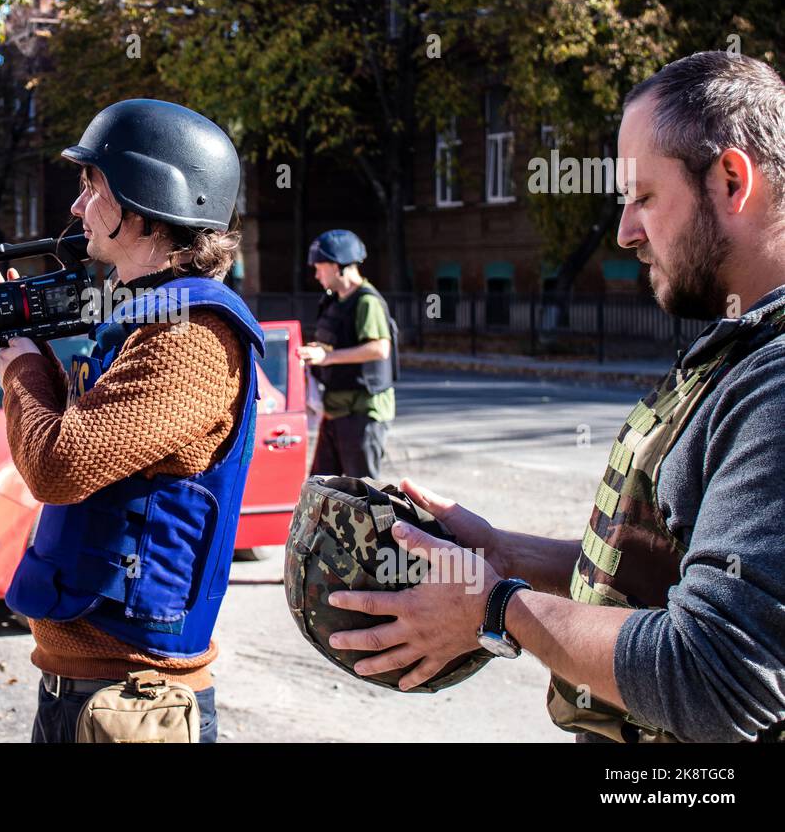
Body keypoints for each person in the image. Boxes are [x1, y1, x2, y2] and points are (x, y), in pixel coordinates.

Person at [322, 51, 785, 743]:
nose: (627, 230)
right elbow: (671, 577)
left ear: (730, 180)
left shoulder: (774, 382)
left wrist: (495, 608)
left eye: (643, 197)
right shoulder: (738, 348)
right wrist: (510, 555)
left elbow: (719, 678)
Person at [0, 98, 265, 743]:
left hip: (134, 704)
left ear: (146, 204)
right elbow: (91, 441)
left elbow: (59, 465)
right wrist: (28, 350)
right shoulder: (152, 319)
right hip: (94, 694)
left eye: (93, 184)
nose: (76, 205)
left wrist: (20, 364)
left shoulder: (192, 337)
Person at [298, 230, 396, 478]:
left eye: (319, 267)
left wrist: (327, 357)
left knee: (363, 494)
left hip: (362, 411)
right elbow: (338, 343)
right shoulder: (333, 301)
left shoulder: (367, 302)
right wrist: (318, 351)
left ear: (336, 265)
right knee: (322, 489)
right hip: (334, 411)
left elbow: (379, 348)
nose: (317, 274)